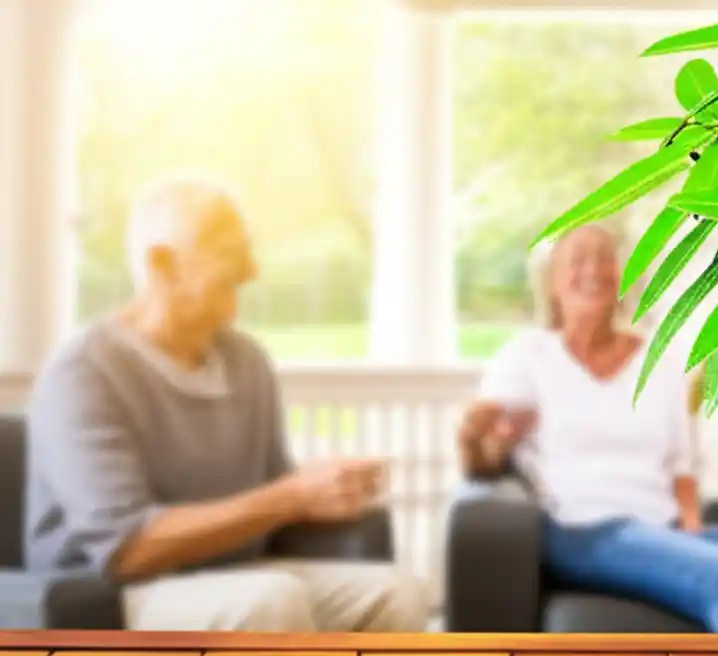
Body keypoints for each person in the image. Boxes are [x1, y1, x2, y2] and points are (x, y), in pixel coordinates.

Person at [25, 178, 427, 632]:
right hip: (111, 594)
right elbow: (128, 548)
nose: (252, 270)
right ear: (165, 264)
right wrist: (293, 495)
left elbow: (274, 498)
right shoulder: (83, 372)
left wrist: (325, 491)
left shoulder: (246, 362)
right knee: (271, 601)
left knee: (399, 593)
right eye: (231, 252)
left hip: (235, 575)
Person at [458, 224, 718, 634]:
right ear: (552, 282)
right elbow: (486, 457)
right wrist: (473, 438)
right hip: (581, 529)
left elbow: (681, 463)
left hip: (660, 524)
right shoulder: (528, 355)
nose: (594, 269)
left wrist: (690, 526)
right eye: (578, 260)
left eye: (605, 258)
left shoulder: (657, 357)